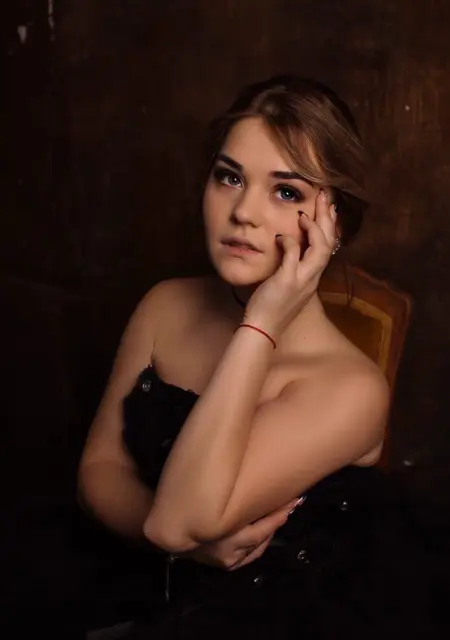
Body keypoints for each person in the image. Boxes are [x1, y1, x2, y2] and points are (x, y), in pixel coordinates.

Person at [78, 75, 442, 638]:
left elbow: (176, 523)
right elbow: (100, 470)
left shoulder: (353, 388)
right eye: (229, 177)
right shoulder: (165, 307)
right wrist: (188, 551)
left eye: (286, 192)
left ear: (333, 224)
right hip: (143, 586)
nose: (243, 211)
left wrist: (262, 323)